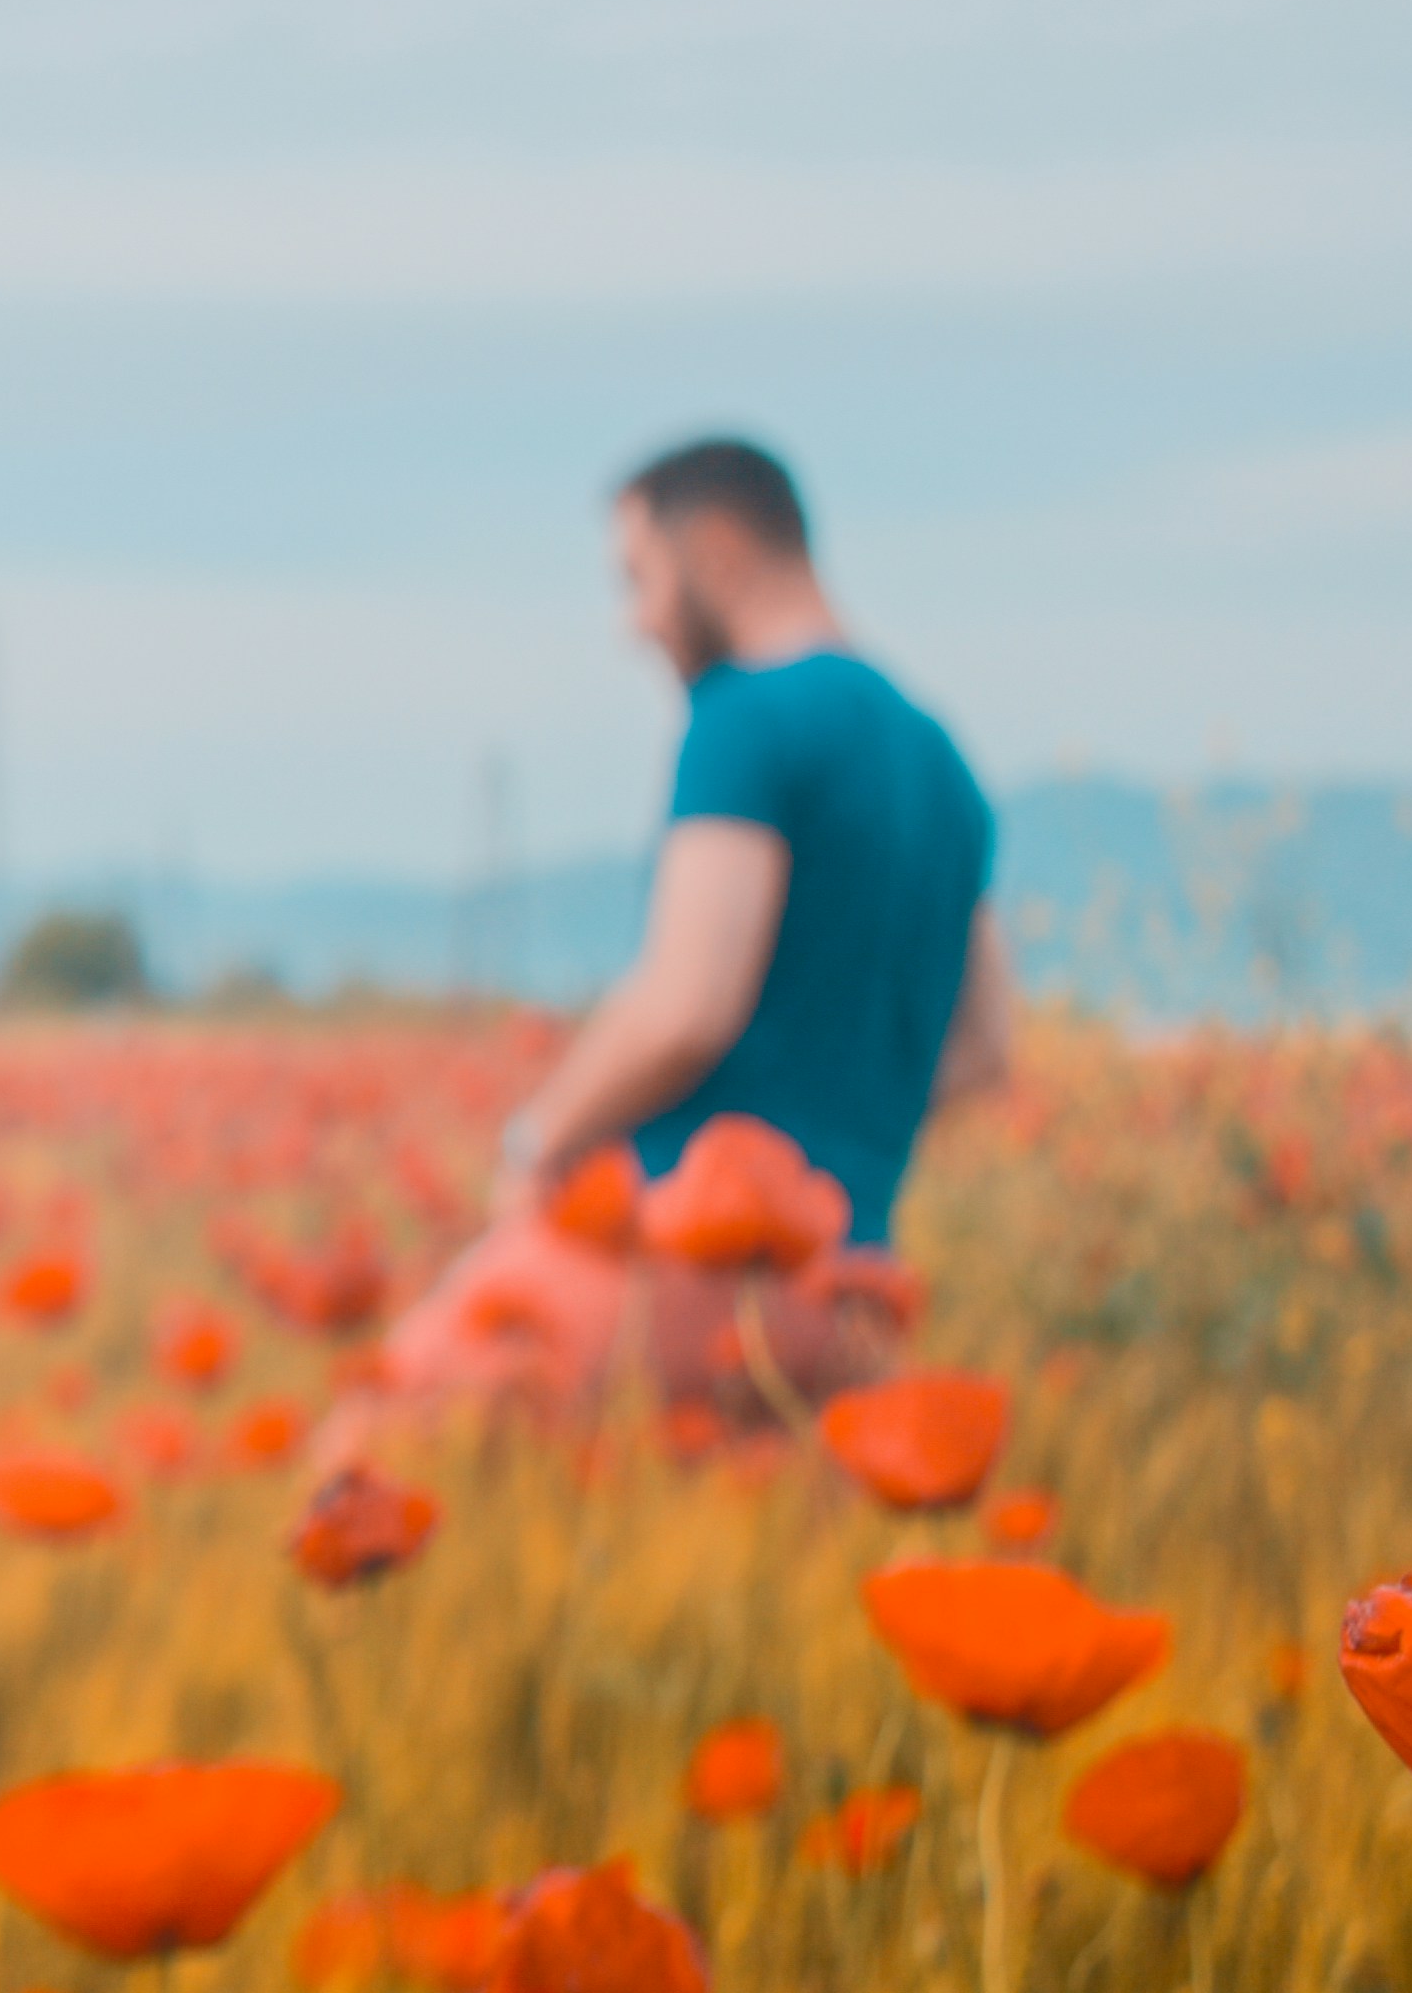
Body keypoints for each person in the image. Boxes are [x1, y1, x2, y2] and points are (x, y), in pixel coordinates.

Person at [373, 436, 1009, 1429]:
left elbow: (687, 1004)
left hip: (670, 1268)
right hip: (853, 1296)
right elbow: (979, 1053)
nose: (636, 625)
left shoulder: (745, 720)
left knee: (372, 1445)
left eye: (640, 580)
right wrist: (828, 1147)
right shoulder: (942, 760)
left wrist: (534, 1144)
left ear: (714, 548)